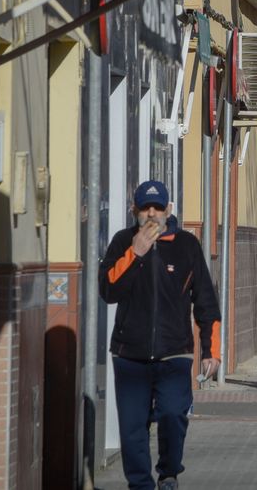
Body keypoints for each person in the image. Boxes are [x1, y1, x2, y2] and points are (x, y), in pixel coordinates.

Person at [98, 180, 221, 490]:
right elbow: (109, 291)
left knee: (172, 415)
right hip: (129, 354)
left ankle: (168, 472)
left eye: (157, 207)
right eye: (144, 207)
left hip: (175, 352)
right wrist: (135, 253)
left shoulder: (186, 245)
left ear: (169, 209)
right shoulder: (122, 241)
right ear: (134, 210)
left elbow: (206, 300)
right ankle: (140, 484)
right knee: (132, 429)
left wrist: (212, 350)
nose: (151, 213)